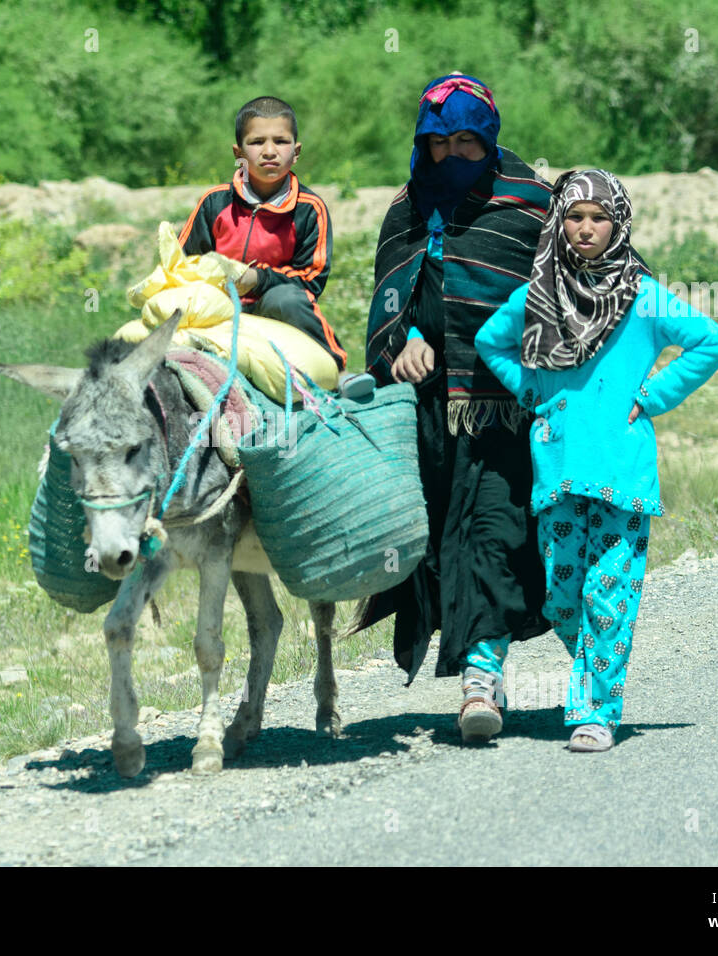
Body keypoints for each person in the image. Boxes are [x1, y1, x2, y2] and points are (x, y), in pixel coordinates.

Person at [475, 168, 718, 751]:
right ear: (557, 223)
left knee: (607, 594)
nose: (586, 229)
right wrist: (531, 392)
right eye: (574, 217)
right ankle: (597, 674)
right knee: (562, 600)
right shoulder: (537, 295)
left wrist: (653, 396)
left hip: (623, 472)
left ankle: (597, 712)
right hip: (559, 470)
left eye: (599, 218)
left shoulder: (643, 296)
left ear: (619, 224)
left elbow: (711, 341)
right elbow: (491, 341)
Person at [352, 73, 552, 742]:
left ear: (489, 137)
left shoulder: (531, 204)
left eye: (469, 140)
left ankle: (481, 677)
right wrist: (402, 339)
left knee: (494, 531)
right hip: (429, 413)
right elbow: (388, 298)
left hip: (505, 410)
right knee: (441, 539)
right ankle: (479, 664)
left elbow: (592, 276)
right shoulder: (409, 208)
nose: (455, 154)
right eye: (441, 143)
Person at [178, 95, 373, 396]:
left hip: (273, 308)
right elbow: (183, 263)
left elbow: (311, 281)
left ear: (296, 152)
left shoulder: (309, 209)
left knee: (288, 299)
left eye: (281, 142)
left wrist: (259, 279)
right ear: (238, 153)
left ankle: (340, 370)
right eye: (256, 142)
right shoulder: (214, 203)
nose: (269, 151)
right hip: (218, 308)